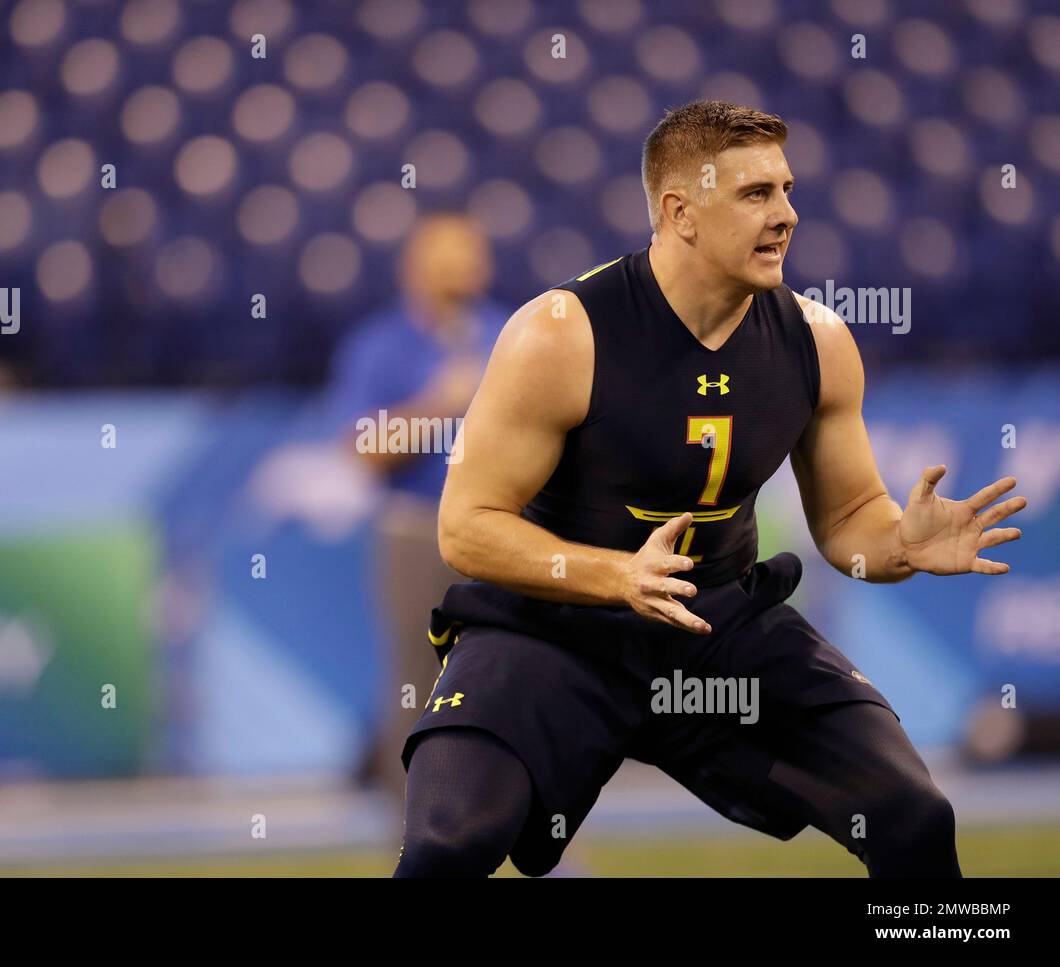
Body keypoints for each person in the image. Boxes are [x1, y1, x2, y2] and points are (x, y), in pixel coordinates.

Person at [393, 101, 1028, 877]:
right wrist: (614, 575)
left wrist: (900, 543)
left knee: (913, 816)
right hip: (554, 632)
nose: (787, 215)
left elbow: (851, 519)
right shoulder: (560, 332)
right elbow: (466, 527)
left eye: (788, 190)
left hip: (716, 626)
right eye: (756, 194)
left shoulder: (818, 339)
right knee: (445, 846)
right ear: (680, 211)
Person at [326, 213, 507, 799]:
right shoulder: (379, 345)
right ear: (414, 268)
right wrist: (439, 403)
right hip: (415, 529)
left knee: (518, 682)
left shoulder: (513, 332)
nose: (458, 272)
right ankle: (416, 844)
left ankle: (541, 845)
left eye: (467, 257)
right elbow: (361, 451)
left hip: (504, 529)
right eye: (443, 259)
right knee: (418, 689)